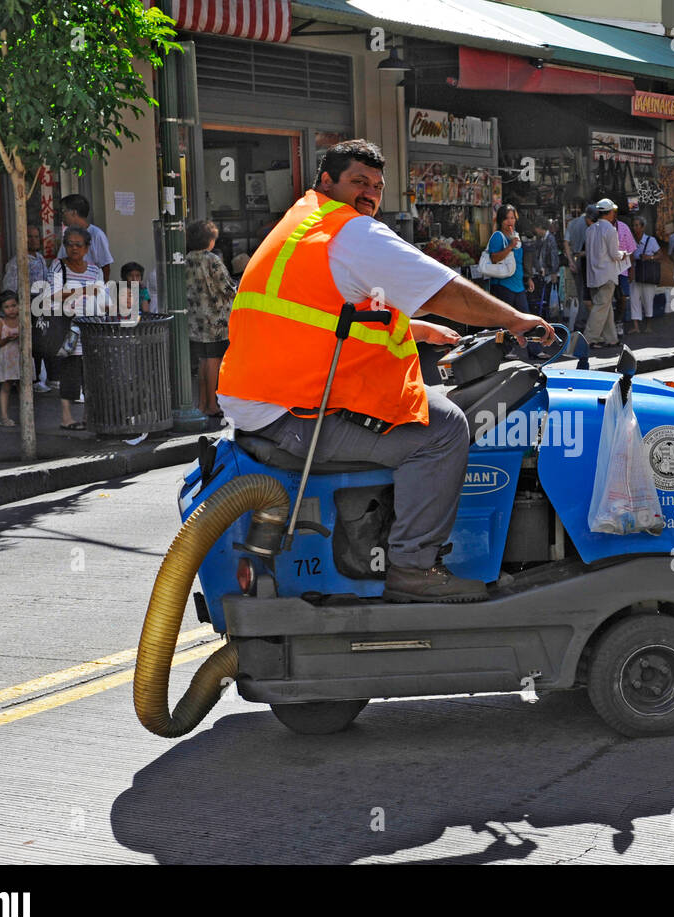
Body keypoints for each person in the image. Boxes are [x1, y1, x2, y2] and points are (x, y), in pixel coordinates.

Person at [216, 139, 554, 603]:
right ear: (326, 181)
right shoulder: (352, 234)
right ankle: (413, 568)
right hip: (290, 410)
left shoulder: (303, 223)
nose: (369, 193)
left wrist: (415, 329)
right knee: (445, 429)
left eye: (376, 185)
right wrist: (514, 319)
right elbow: (444, 289)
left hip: (268, 392)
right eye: (358, 181)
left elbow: (325, 314)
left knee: (424, 404)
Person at [47, 225, 111, 430]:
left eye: (78, 245)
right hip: (67, 327)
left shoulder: (95, 270)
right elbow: (52, 295)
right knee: (69, 371)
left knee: (91, 374)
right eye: (69, 244)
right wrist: (84, 290)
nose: (73, 249)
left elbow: (102, 298)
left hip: (91, 327)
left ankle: (87, 416)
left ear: (87, 248)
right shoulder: (58, 266)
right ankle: (66, 417)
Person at [184, 221, 236, 421]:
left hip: (195, 319)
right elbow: (227, 288)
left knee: (203, 362)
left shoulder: (186, 259)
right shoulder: (212, 259)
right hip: (215, 320)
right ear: (210, 240)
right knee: (214, 362)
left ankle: (202, 404)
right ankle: (212, 404)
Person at [2, 223, 55, 392]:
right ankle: (29, 379)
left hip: (41, 306)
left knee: (41, 344)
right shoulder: (16, 262)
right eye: (29, 237)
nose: (33, 240)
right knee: (28, 345)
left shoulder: (39, 259)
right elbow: (9, 289)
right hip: (26, 307)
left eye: (35, 236)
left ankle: (40, 377)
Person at [584, 198, 628, 347]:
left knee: (605, 307)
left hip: (593, 274)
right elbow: (614, 255)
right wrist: (623, 254)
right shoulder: (610, 229)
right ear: (609, 213)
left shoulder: (590, 229)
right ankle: (589, 339)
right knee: (601, 307)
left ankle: (611, 338)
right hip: (607, 274)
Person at [485, 204, 533, 316]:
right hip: (502, 286)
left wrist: (528, 278)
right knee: (504, 323)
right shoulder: (498, 237)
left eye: (512, 218)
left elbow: (519, 261)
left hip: (518, 286)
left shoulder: (516, 236)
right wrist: (510, 247)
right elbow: (494, 259)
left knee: (525, 320)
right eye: (506, 218)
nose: (510, 221)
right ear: (501, 221)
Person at [58, 194, 114, 281]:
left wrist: (102, 289)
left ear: (73, 212)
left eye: (63, 211)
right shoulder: (67, 235)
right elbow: (61, 261)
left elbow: (105, 266)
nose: (61, 215)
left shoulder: (96, 234)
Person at [0, 290, 21, 427]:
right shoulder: (1, 323)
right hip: (7, 358)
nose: (11, 309)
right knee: (6, 386)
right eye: (7, 307)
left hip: (21, 357)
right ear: (2, 309)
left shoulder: (23, 320)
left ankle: (25, 415)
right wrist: (8, 339)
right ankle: (4, 417)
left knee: (24, 387)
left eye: (14, 305)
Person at [629, 216, 659, 332]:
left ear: (643, 227)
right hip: (635, 272)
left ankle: (648, 326)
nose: (635, 228)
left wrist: (650, 257)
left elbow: (660, 255)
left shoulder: (651, 240)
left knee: (648, 299)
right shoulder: (631, 240)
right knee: (634, 299)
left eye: (637, 225)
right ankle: (636, 326)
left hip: (647, 274)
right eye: (634, 225)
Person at [563, 204, 590, 328]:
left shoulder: (571, 224)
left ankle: (581, 321)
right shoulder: (591, 223)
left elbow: (566, 243)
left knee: (580, 293)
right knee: (588, 293)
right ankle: (584, 321)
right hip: (587, 261)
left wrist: (570, 261)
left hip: (575, 259)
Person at [530, 220, 559, 318]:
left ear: (540, 227)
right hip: (543, 272)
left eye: (536, 228)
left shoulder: (550, 238)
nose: (535, 231)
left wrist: (554, 272)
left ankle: (550, 317)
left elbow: (554, 256)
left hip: (549, 273)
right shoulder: (541, 239)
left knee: (547, 295)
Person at [614, 212, 636, 333]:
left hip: (622, 270)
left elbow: (631, 250)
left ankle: (618, 322)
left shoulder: (623, 227)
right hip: (606, 270)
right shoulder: (599, 228)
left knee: (622, 298)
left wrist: (631, 270)